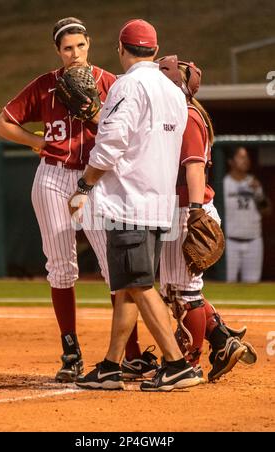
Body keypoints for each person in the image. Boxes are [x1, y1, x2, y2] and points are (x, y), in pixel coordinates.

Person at [70, 19, 201, 392]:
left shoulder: (126, 84)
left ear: (122, 49)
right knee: (130, 284)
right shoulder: (173, 90)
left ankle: (176, 364)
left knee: (140, 286)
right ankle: (112, 366)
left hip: (129, 202)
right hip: (159, 203)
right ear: (155, 51)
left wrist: (84, 184)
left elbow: (111, 144)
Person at [0, 17, 118, 383]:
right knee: (61, 266)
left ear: (89, 44)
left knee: (114, 263)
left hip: (95, 177)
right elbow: (3, 124)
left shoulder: (108, 82)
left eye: (80, 46)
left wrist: (95, 115)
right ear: (58, 51)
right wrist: (37, 142)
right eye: (67, 48)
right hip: (53, 176)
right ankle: (71, 351)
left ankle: (128, 351)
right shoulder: (46, 84)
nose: (75, 53)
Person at [157, 56, 254, 382]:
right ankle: (222, 340)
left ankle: (189, 360)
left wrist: (195, 212)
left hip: (187, 209)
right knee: (175, 289)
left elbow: (195, 167)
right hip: (181, 208)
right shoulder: (179, 112)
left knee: (184, 293)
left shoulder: (185, 115)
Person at [223, 146, 271, 283]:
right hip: (230, 240)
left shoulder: (254, 182)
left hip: (253, 240)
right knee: (227, 284)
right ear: (231, 161)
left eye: (247, 157)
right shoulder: (225, 183)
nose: (246, 160)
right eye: (241, 157)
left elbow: (266, 211)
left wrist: (259, 194)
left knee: (252, 285)